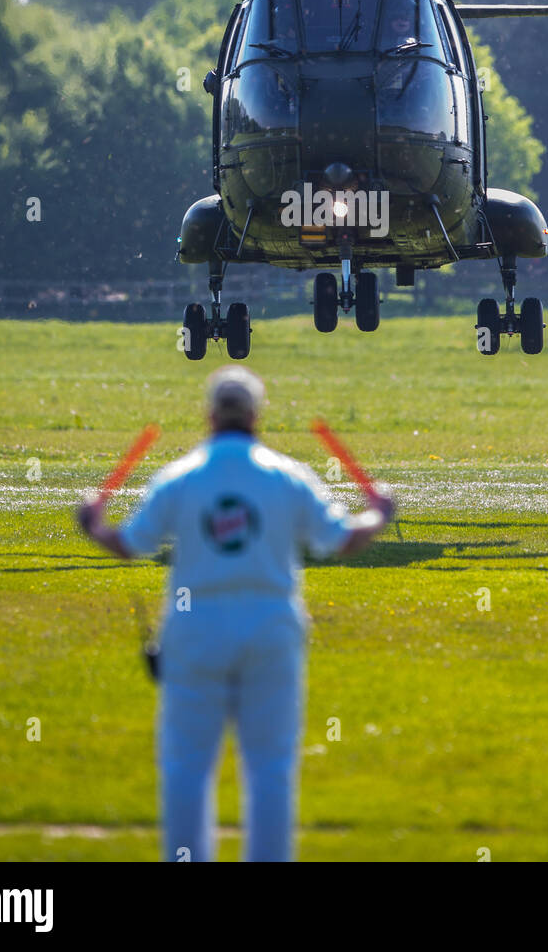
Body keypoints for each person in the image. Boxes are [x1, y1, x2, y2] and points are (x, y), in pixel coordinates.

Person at [77, 367, 395, 863]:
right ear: (256, 415)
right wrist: (378, 514)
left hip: (195, 630)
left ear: (209, 415)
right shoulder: (288, 475)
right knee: (270, 769)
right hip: (271, 627)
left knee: (186, 769)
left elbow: (129, 544)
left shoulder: (179, 477)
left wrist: (91, 524)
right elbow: (344, 539)